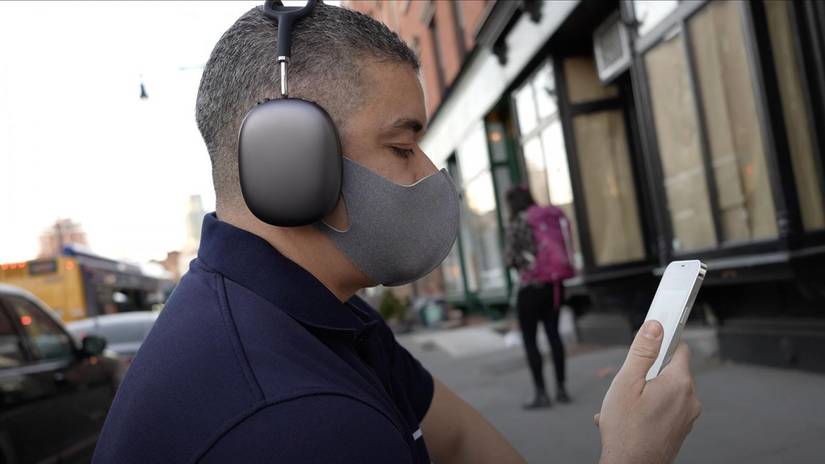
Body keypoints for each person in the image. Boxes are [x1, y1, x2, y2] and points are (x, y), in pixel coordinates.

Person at [93, 3, 701, 463]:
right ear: (291, 162)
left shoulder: (325, 318)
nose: (431, 174)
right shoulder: (293, 422)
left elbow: (460, 441)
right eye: (404, 147)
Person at [504, 186, 572, 409]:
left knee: (531, 340)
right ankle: (561, 389)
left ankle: (541, 394)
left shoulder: (517, 223)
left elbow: (510, 259)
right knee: (554, 335)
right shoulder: (545, 218)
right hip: (554, 286)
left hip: (529, 289)